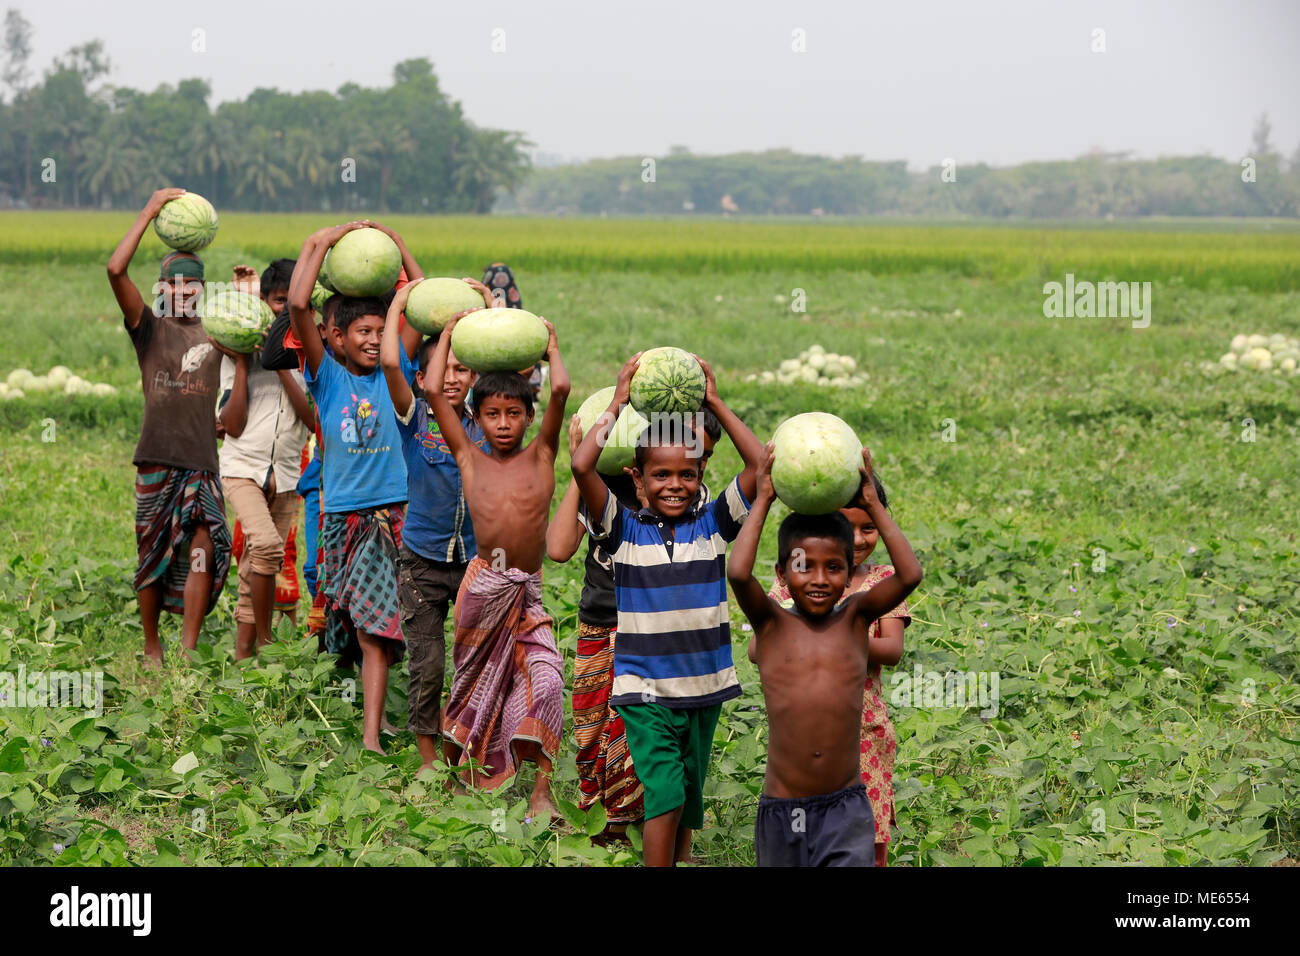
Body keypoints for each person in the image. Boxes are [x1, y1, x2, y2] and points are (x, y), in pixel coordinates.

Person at [570, 354, 763, 866]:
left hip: (706, 688)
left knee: (688, 799)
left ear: (702, 472)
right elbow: (581, 466)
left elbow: (759, 467)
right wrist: (616, 401)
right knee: (665, 795)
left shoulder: (715, 525)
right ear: (637, 478)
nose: (674, 484)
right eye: (660, 475)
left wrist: (714, 400)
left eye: (686, 473)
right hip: (645, 692)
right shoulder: (623, 529)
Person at [727, 445, 922, 867]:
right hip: (784, 809)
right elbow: (738, 572)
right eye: (803, 566)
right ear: (782, 573)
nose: (819, 579)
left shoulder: (856, 617)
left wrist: (872, 502)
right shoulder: (771, 623)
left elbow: (911, 574)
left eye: (834, 567)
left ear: (849, 571)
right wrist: (762, 499)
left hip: (845, 807)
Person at [544, 406, 722, 838]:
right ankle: (598, 821)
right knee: (591, 732)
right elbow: (559, 547)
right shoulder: (605, 494)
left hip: (651, 637)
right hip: (600, 624)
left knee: (640, 738)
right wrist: (578, 469)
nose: (680, 475)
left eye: (698, 461)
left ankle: (638, 825)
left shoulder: (689, 502)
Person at [426, 305, 569, 819]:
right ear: (476, 416)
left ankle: (541, 793)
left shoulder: (543, 455)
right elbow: (430, 392)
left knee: (547, 679)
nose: (504, 424)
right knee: (471, 686)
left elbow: (558, 391)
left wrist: (550, 347)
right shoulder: (468, 456)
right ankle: (460, 779)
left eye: (513, 413)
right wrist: (446, 335)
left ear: (528, 418)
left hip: (526, 590)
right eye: (492, 414)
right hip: (484, 588)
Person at [287, 220, 423, 753]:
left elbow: (420, 298)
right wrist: (323, 242)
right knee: (356, 625)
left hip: (392, 517)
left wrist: (396, 244)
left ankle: (371, 736)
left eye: (378, 331)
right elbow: (300, 306)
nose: (372, 340)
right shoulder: (327, 376)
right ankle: (371, 716)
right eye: (360, 332)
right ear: (335, 338)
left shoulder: (398, 372)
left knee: (376, 631)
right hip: (342, 516)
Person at [106, 187, 231, 664]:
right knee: (153, 554)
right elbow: (116, 270)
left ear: (203, 288)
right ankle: (152, 645)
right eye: (173, 285)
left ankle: (189, 645)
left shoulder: (219, 333)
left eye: (191, 285)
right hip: (156, 457)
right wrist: (149, 210)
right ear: (161, 289)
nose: (182, 293)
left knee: (204, 544)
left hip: (201, 463)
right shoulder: (149, 329)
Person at [379, 277, 494, 773]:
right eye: (442, 368)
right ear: (424, 373)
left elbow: (500, 358)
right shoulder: (415, 416)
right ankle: (427, 755)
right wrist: (401, 304)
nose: (451, 378)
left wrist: (488, 306)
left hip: (473, 559)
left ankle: (469, 745)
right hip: (422, 560)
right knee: (427, 663)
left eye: (462, 369)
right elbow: (389, 362)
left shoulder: (484, 422)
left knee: (476, 663)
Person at [217, 262, 314, 660]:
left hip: (287, 472)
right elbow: (233, 424)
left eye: (289, 308)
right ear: (263, 303)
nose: (281, 316)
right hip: (242, 468)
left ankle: (244, 659)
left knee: (255, 563)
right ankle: (266, 642)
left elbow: (311, 420)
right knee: (268, 548)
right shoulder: (236, 354)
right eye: (277, 303)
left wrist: (283, 365)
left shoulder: (307, 354)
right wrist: (243, 364)